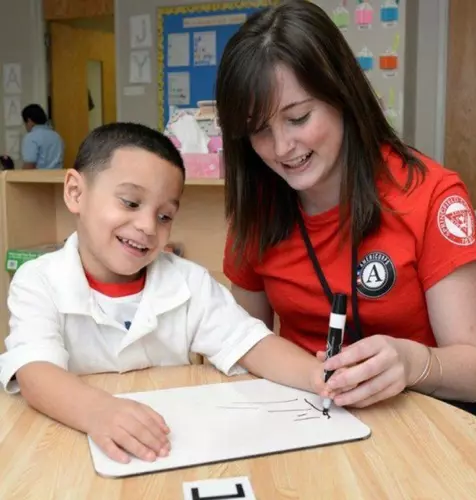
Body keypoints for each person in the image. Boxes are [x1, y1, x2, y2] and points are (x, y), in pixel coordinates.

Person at [216, 0, 476, 417]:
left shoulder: (432, 195)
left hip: (423, 421)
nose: (281, 149)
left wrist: (412, 362)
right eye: (259, 130)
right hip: (309, 418)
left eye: (298, 118)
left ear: (342, 95)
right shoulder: (258, 209)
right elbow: (243, 342)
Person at [0, 122, 332, 465]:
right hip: (69, 450)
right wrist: (98, 412)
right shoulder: (37, 280)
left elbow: (251, 343)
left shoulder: (189, 283)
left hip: (165, 449)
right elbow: (34, 373)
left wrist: (317, 376)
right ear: (75, 192)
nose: (147, 227)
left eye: (164, 216)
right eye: (130, 203)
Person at [21, 103, 64, 169]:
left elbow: (29, 166)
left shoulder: (31, 137)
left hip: (39, 178)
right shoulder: (56, 136)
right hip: (58, 177)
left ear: (29, 121)